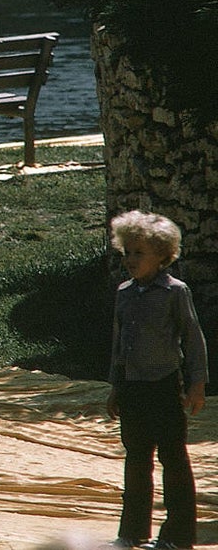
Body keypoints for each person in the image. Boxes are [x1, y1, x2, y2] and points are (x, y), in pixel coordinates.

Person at [106, 210, 208, 550]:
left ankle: (178, 536)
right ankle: (133, 531)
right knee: (136, 458)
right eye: (127, 252)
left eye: (140, 253)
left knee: (173, 457)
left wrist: (197, 384)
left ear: (162, 256)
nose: (131, 260)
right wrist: (115, 386)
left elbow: (193, 339)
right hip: (133, 388)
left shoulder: (174, 292)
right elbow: (119, 344)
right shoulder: (124, 292)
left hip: (164, 386)